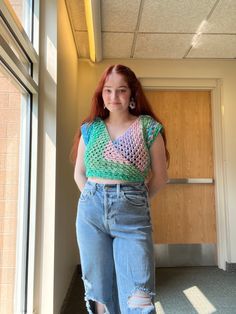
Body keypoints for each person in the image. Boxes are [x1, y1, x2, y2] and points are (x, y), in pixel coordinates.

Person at [72, 64, 169, 314]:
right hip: (90, 215)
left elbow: (160, 176)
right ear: (101, 94)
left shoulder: (148, 128)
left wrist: (133, 199)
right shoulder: (90, 128)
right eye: (108, 90)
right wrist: (93, 198)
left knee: (139, 297)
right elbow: (79, 173)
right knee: (98, 293)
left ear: (132, 94)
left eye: (121, 90)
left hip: (132, 215)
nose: (114, 97)